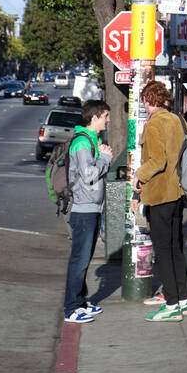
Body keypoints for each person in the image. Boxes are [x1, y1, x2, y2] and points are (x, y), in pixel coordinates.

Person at [132, 80, 187, 322]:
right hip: (178, 192)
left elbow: (158, 161)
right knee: (176, 248)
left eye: (144, 101)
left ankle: (172, 304)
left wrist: (138, 175)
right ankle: (183, 298)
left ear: (148, 101)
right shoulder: (177, 120)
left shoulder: (153, 124)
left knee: (163, 251)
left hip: (160, 194)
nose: (144, 105)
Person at [63, 100, 113, 323]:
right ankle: (71, 308)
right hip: (83, 209)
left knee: (84, 258)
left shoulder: (92, 140)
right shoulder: (83, 143)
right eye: (105, 116)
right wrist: (105, 158)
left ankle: (80, 301)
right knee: (79, 260)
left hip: (91, 207)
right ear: (95, 118)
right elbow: (89, 175)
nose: (108, 120)